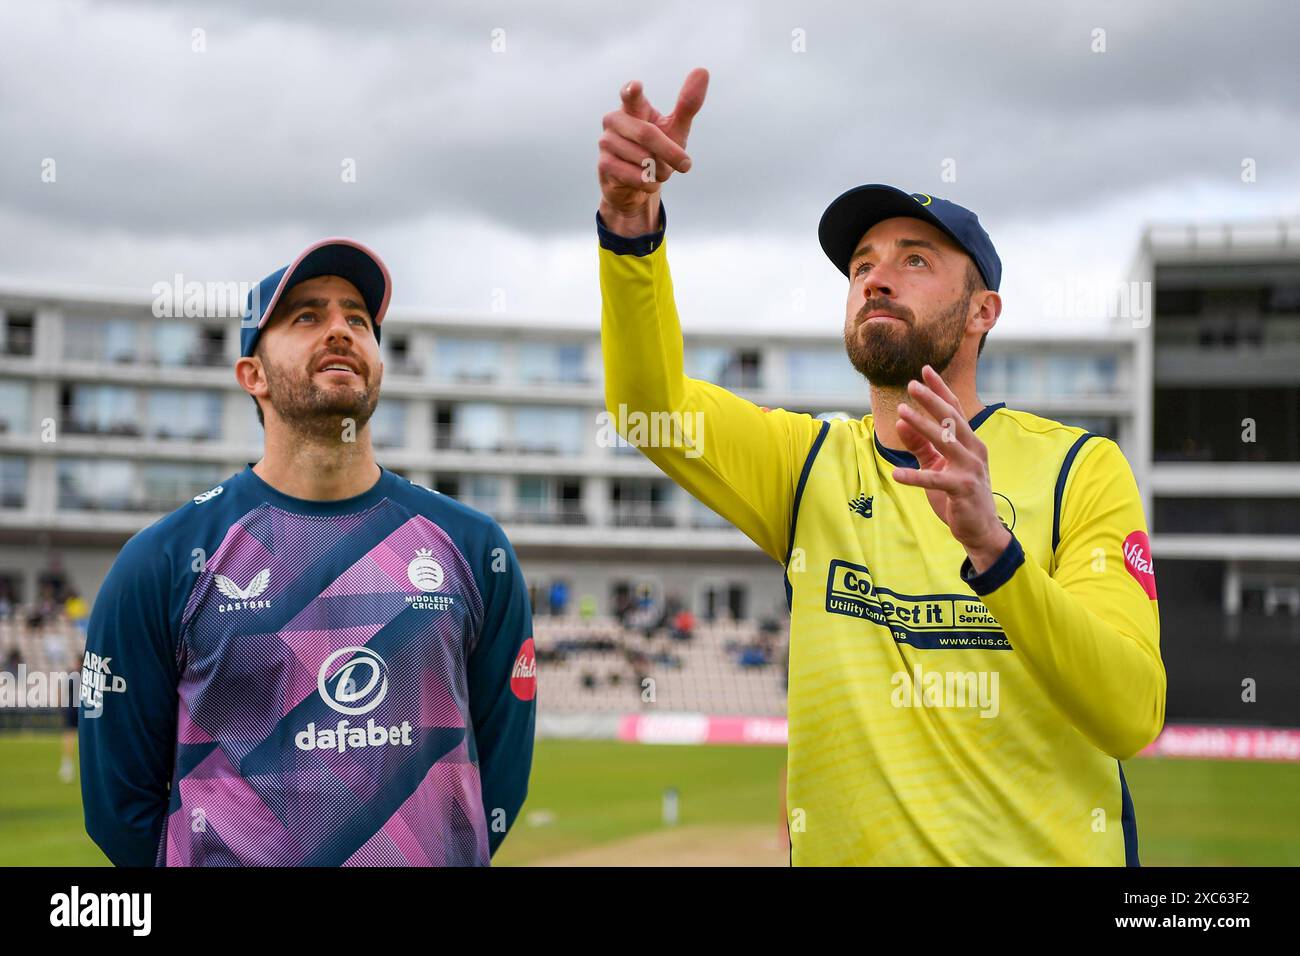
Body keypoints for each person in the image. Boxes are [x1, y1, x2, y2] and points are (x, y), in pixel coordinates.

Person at [595, 68, 1165, 865]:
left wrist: (995, 552)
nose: (876, 277)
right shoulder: (807, 464)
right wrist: (630, 228)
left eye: (916, 260)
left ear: (982, 311)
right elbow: (647, 404)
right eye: (861, 264)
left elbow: (1130, 713)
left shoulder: (1080, 469)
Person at [79, 239, 536, 866]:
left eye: (357, 319)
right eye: (306, 317)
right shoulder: (164, 561)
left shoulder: (474, 547)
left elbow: (499, 787)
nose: (340, 331)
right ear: (253, 375)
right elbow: (120, 811)